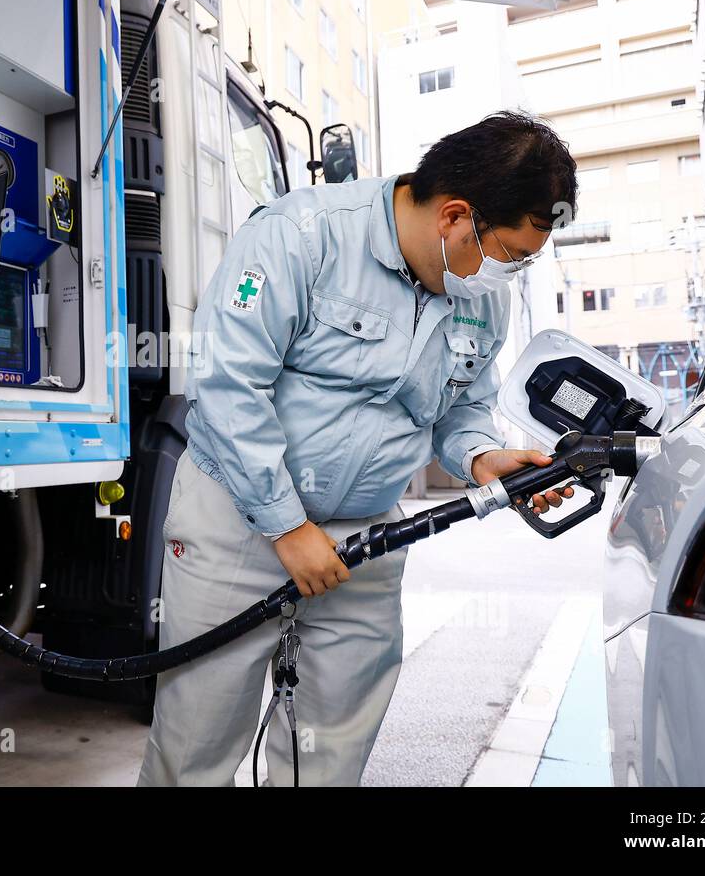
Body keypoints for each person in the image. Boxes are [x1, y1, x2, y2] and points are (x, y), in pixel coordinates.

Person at [139, 111, 579, 786]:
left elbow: (462, 407)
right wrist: (287, 526)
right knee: (194, 750)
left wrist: (484, 456)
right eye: (511, 255)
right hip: (237, 523)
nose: (509, 276)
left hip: (365, 545)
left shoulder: (481, 299)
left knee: (328, 757)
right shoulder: (300, 236)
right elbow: (228, 387)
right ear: (455, 217)